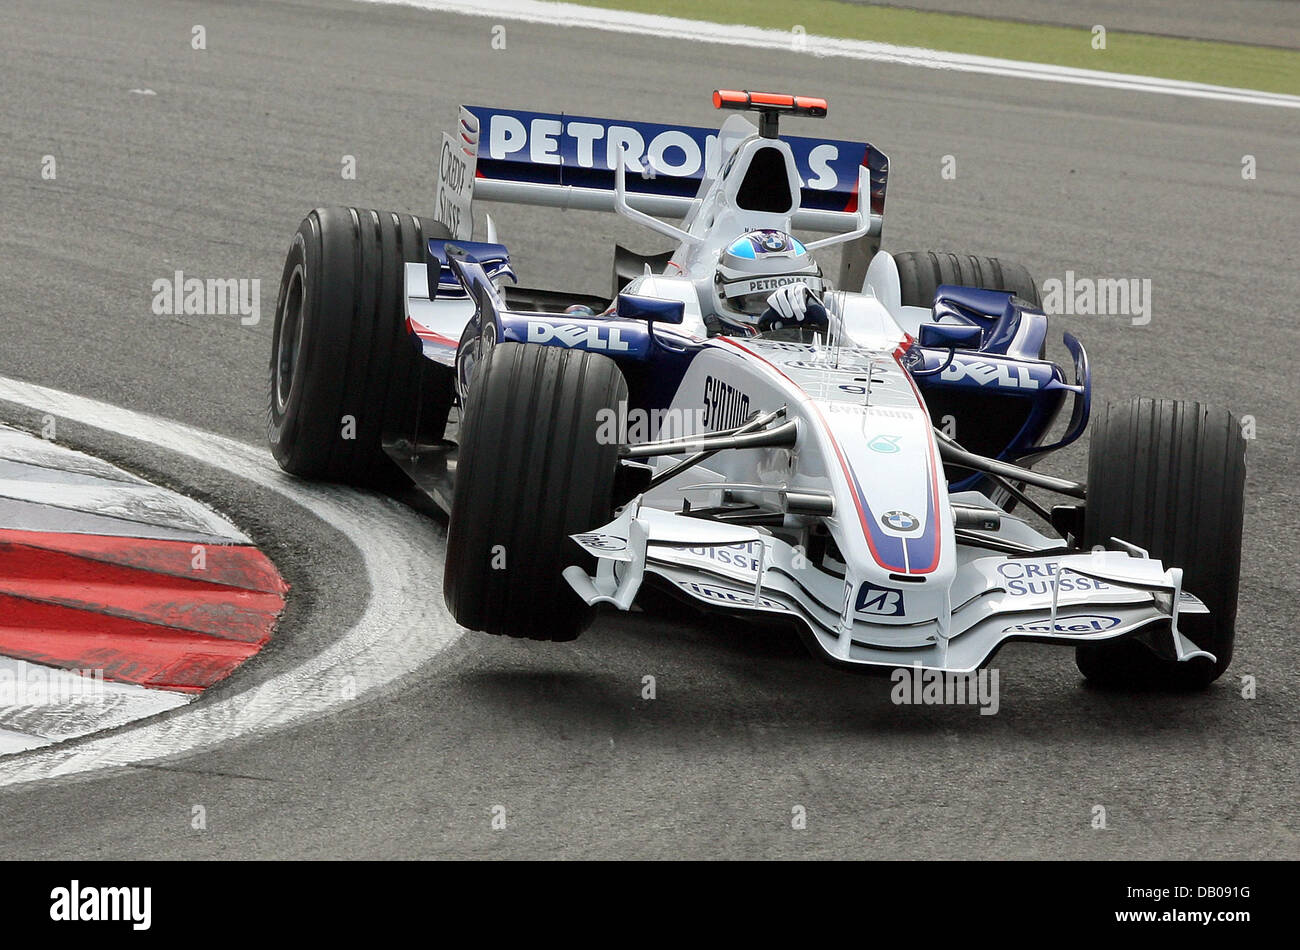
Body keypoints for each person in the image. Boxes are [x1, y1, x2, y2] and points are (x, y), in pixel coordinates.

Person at [710, 229, 829, 337]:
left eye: (796, 297)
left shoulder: (832, 323)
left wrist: (835, 335)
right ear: (721, 292)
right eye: (760, 300)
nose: (779, 310)